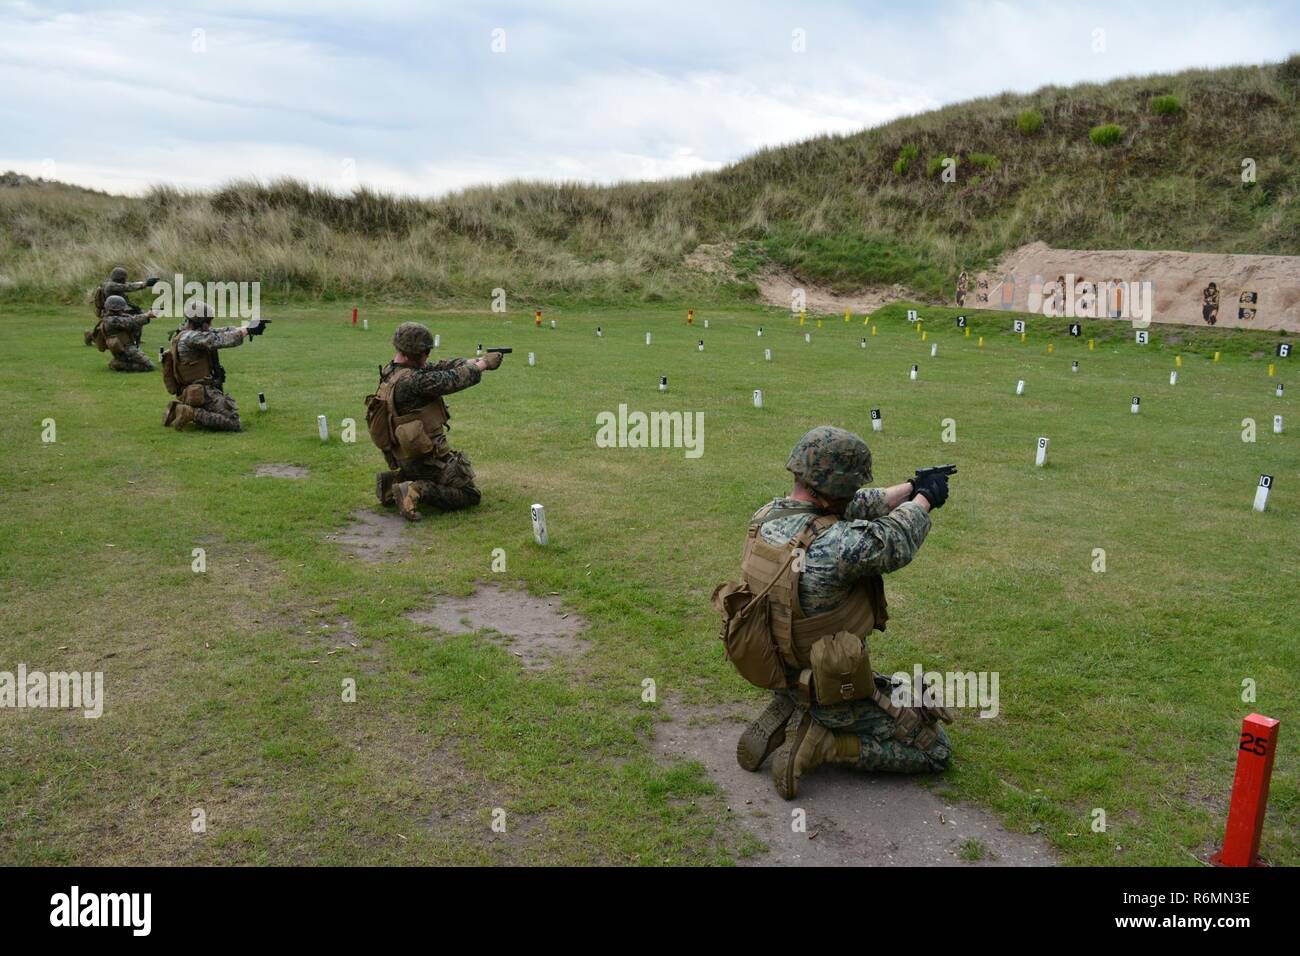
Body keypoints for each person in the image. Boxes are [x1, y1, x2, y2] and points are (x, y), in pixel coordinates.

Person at [725, 426, 953, 799]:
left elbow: (849, 506)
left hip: (780, 664)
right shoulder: (838, 545)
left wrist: (910, 487)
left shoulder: (765, 516)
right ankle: (826, 741)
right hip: (828, 680)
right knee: (936, 749)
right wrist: (925, 499)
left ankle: (788, 703)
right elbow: (892, 541)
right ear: (837, 487)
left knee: (806, 642)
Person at [366, 322, 503, 520]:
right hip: (425, 460)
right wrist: (484, 365)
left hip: (403, 456)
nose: (428, 356)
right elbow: (453, 378)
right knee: (470, 495)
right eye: (426, 352)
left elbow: (438, 367)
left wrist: (474, 360)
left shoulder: (391, 372)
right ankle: (415, 490)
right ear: (418, 352)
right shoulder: (414, 382)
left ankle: (393, 482)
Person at [162, 301, 258, 431]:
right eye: (209, 321)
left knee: (216, 417)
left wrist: (247, 327)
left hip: (191, 390)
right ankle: (190, 413)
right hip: (202, 391)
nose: (211, 324)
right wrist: (245, 332)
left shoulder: (186, 333)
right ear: (202, 322)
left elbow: (220, 331)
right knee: (233, 422)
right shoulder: (192, 337)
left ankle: (178, 408)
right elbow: (219, 339)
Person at [85, 266, 158, 346]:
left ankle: (135, 338)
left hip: (117, 308)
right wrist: (145, 284)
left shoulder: (110, 283)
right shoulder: (111, 286)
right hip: (113, 310)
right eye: (124, 278)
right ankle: (91, 336)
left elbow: (128, 285)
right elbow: (127, 287)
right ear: (120, 278)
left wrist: (144, 283)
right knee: (137, 317)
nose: (125, 280)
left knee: (137, 315)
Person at [95, 295, 156, 371]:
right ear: (117, 308)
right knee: (149, 366)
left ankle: (121, 361)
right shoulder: (111, 320)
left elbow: (131, 318)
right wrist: (147, 315)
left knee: (147, 364)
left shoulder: (112, 317)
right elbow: (132, 321)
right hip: (125, 349)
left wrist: (146, 314)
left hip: (124, 347)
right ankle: (118, 364)